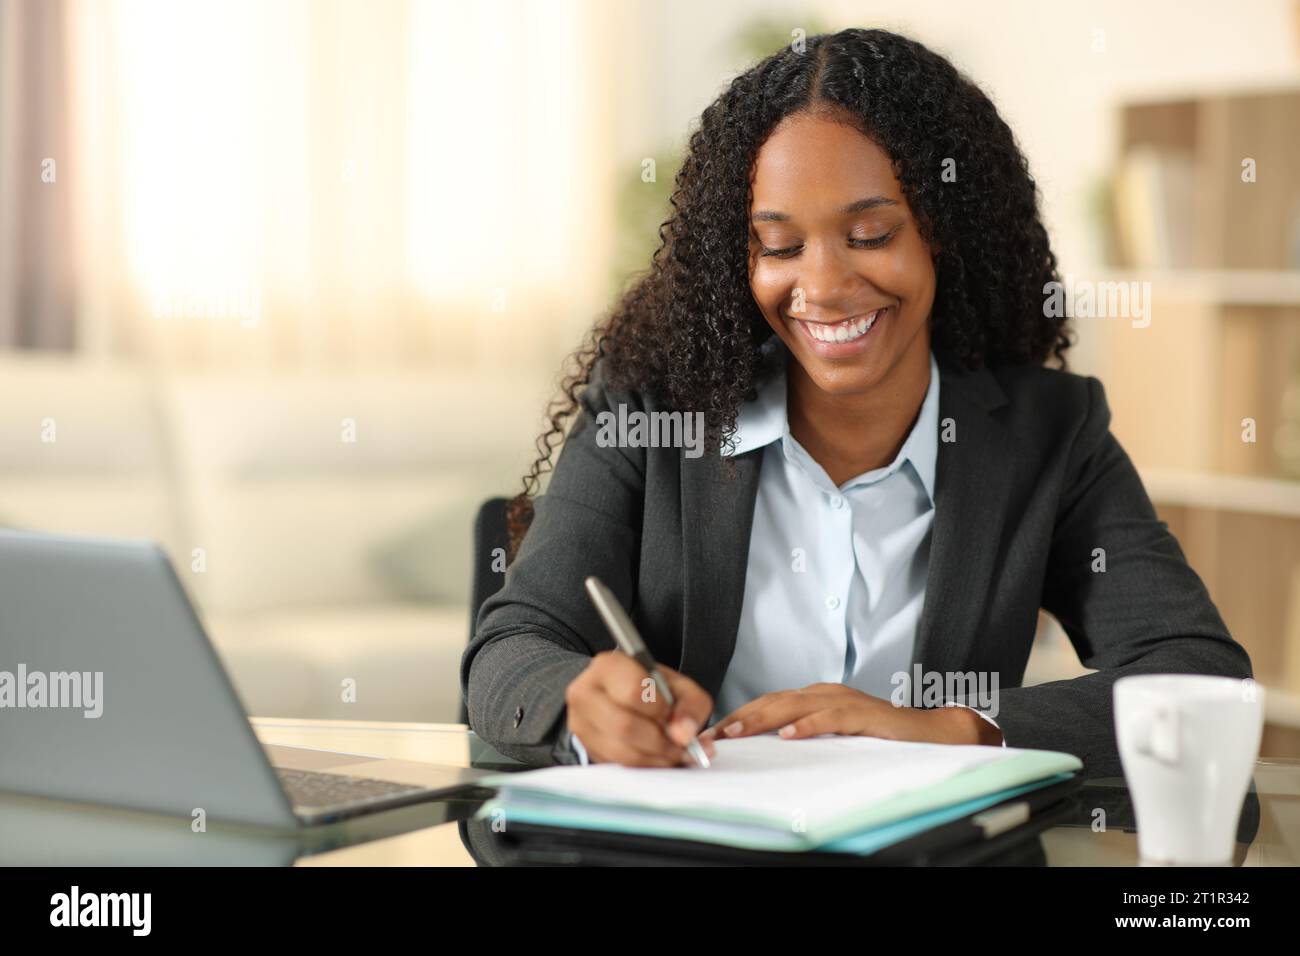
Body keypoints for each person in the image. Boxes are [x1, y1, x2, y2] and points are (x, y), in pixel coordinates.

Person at [461, 28, 1250, 776]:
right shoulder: (651, 410)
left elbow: (1199, 676)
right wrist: (578, 705)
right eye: (779, 246)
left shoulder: (1050, 434)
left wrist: (949, 729)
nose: (825, 288)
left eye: (870, 236)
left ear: (944, 231)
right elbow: (512, 650)